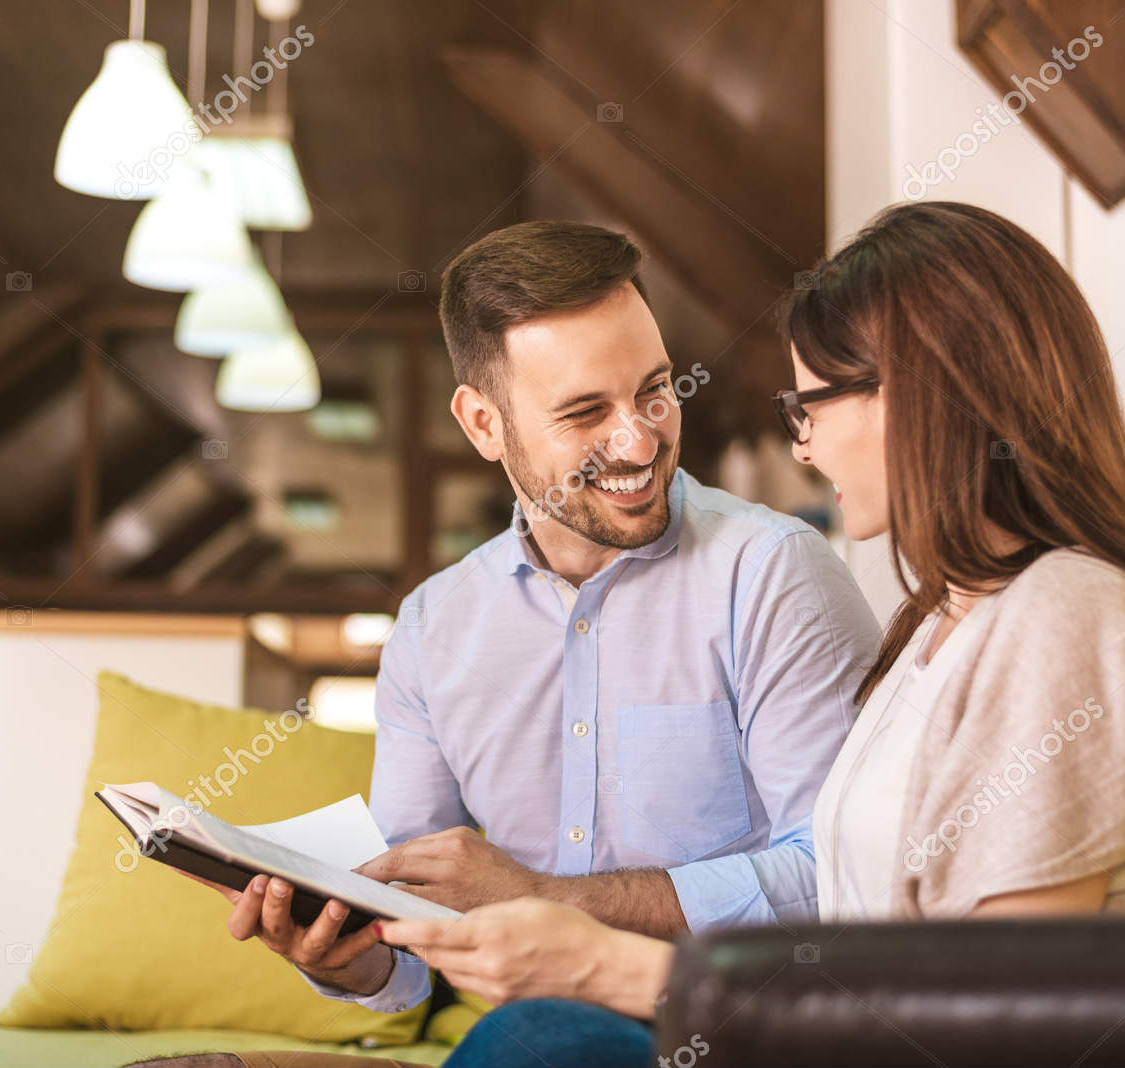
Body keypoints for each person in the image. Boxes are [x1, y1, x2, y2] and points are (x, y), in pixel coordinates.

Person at [381, 200, 1125, 1068]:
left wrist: (611, 965)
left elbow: (1001, 1020)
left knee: (539, 1044)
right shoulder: (937, 628)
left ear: (926, 399)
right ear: (481, 422)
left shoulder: (1066, 618)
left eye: (812, 405)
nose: (806, 451)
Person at [186, 221, 880, 1017]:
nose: (640, 438)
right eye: (586, 412)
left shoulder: (773, 575)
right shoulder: (431, 632)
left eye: (655, 389)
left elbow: (841, 879)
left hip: (732, 1038)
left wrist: (548, 899)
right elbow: (412, 956)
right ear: (483, 424)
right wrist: (347, 960)